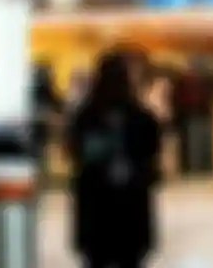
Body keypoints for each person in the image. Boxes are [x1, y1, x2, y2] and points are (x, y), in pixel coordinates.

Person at [65, 51, 162, 268]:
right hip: (117, 206)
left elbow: (74, 151)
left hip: (106, 207)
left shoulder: (87, 117)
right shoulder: (140, 118)